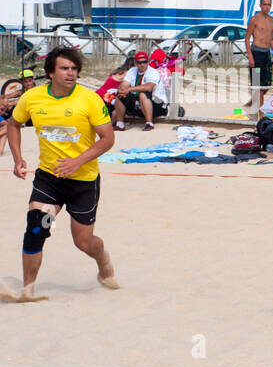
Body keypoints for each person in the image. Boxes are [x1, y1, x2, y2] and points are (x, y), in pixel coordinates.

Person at [3, 47, 118, 302]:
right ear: (51, 72)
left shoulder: (89, 99)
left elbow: (107, 139)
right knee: (37, 227)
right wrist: (18, 158)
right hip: (49, 181)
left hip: (83, 183)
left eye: (74, 69)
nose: (71, 73)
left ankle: (104, 261)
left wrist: (77, 161)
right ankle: (28, 289)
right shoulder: (32, 98)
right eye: (65, 68)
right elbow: (13, 124)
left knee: (84, 242)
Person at [113, 49, 167, 131]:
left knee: (143, 93)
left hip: (158, 105)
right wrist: (122, 90)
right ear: (135, 63)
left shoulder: (153, 72)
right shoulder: (132, 71)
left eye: (144, 62)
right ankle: (120, 124)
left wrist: (129, 89)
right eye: (139, 62)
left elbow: (148, 87)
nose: (142, 64)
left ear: (148, 62)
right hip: (140, 105)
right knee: (120, 94)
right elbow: (124, 84)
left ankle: (149, 123)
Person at [246, 0, 273, 111]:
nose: (267, 7)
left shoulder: (272, 20)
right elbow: (247, 38)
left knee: (267, 84)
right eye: (264, 4)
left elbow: (271, 39)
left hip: (266, 54)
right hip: (256, 53)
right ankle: (259, 111)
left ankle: (251, 104)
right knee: (257, 84)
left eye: (269, 4)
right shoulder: (254, 19)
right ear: (260, 5)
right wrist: (250, 56)